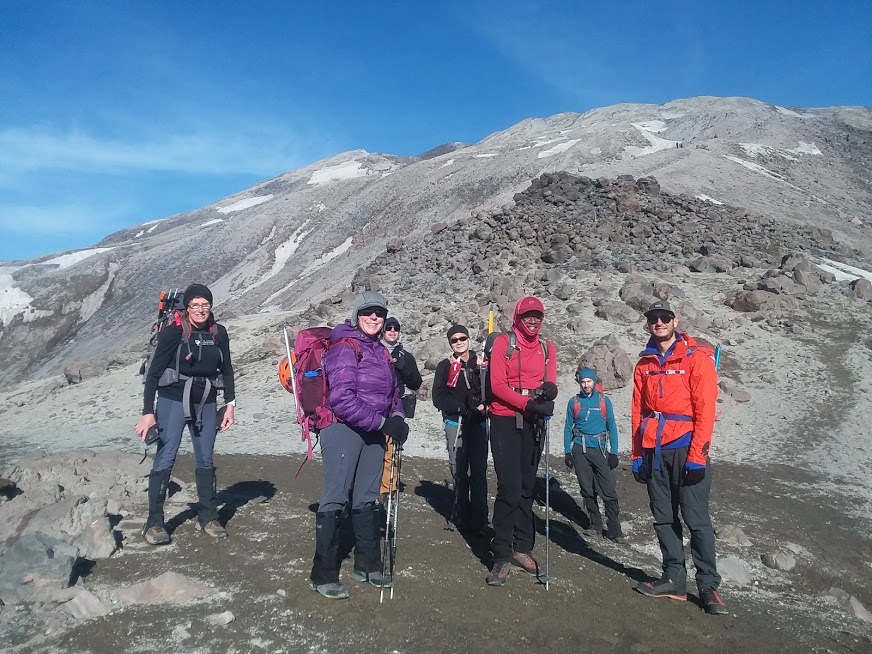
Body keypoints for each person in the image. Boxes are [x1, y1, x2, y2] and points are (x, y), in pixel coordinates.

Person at [309, 291, 409, 600]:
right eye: (368, 312)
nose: (374, 317)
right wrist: (382, 424)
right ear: (356, 316)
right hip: (342, 429)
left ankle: (367, 565)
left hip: (373, 431)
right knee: (336, 496)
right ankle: (323, 574)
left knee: (367, 496)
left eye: (379, 312)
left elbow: (393, 394)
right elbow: (341, 399)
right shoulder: (344, 348)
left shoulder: (380, 351)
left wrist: (397, 417)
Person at [631, 301, 728, 616]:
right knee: (663, 517)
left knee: (696, 519)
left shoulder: (695, 357)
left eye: (664, 318)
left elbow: (705, 409)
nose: (658, 323)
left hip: (686, 448)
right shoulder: (644, 363)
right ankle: (673, 578)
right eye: (653, 319)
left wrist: (698, 456)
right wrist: (637, 455)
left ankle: (708, 586)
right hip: (655, 450)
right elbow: (638, 411)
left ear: (675, 321)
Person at [134, 283, 236, 545]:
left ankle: (208, 516)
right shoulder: (174, 332)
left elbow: (227, 369)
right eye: (195, 305)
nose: (200, 309)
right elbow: (154, 373)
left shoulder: (218, 333)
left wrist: (230, 404)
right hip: (172, 400)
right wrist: (148, 412)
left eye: (205, 305)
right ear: (187, 307)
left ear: (211, 306)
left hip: (206, 401)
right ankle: (154, 523)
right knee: (166, 456)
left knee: (205, 457)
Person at [485, 296, 558, 587]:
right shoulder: (503, 343)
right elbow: (497, 386)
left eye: (537, 315)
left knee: (528, 486)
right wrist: (528, 403)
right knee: (510, 487)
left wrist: (550, 392)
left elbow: (550, 382)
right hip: (505, 420)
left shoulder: (547, 347)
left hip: (533, 422)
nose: (533, 320)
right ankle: (502, 554)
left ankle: (523, 547)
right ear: (517, 316)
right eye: (528, 315)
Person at [432, 324, 488, 536]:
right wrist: (461, 408)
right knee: (459, 471)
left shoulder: (481, 362)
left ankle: (480, 521)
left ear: (469, 339)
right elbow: (438, 397)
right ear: (450, 343)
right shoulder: (445, 366)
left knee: (479, 472)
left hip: (478, 424)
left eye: (462, 338)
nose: (459, 342)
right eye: (454, 340)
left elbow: (490, 388)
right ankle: (461, 517)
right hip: (456, 424)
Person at [563, 367, 627, 544]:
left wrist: (614, 452)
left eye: (589, 381)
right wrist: (567, 451)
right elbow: (568, 427)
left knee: (608, 488)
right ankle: (595, 524)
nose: (586, 385)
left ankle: (614, 529)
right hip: (579, 449)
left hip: (600, 449)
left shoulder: (604, 401)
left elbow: (612, 426)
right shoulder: (574, 402)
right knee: (587, 488)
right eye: (583, 382)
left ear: (594, 382)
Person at [380, 313, 422, 497]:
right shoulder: (372, 350)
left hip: (395, 408)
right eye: (388, 328)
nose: (392, 331)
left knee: (390, 449)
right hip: (374, 407)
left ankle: (387, 489)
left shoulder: (405, 356)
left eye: (395, 328)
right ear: (382, 330)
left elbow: (416, 383)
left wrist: (404, 367)